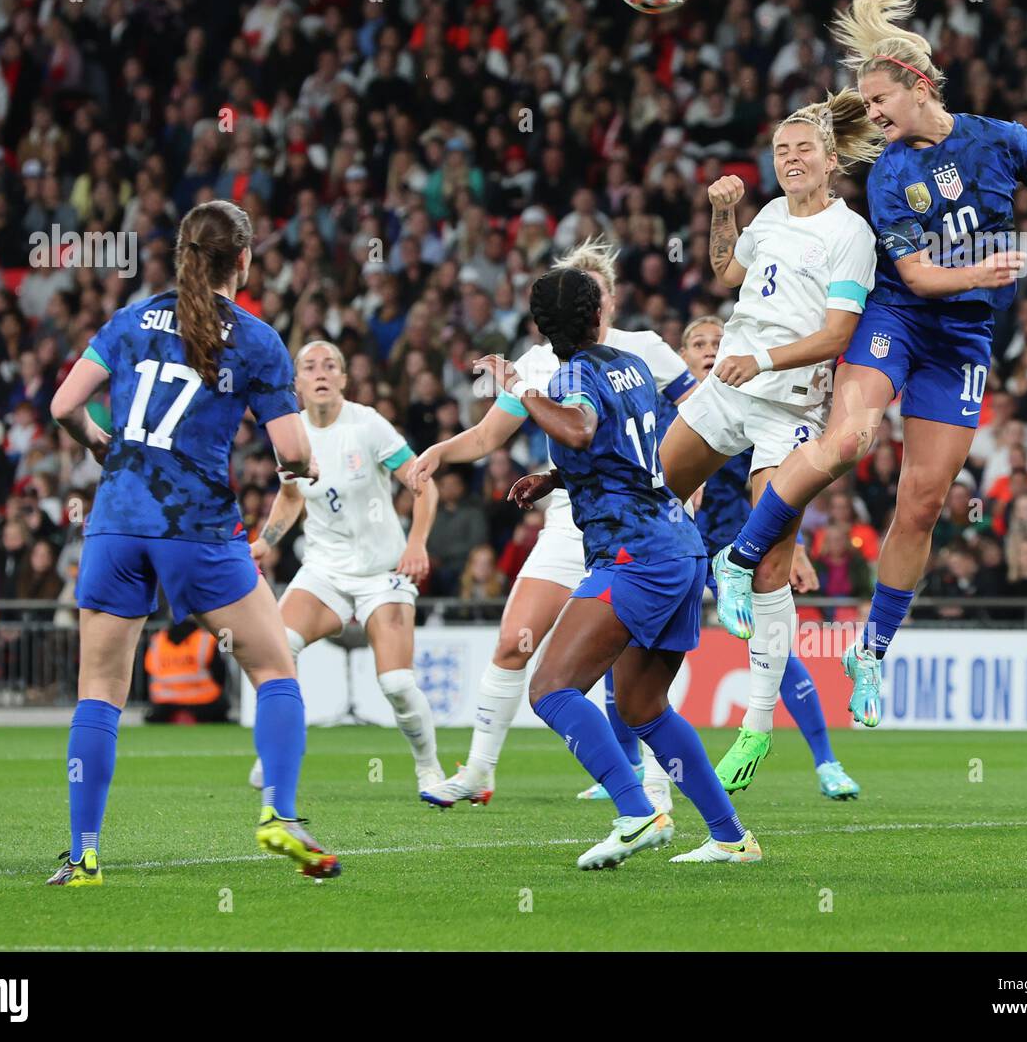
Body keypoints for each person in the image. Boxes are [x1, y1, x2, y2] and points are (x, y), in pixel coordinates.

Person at [716, 0, 1027, 728]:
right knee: (849, 440)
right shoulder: (886, 175)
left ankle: (869, 652)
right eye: (865, 104)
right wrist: (983, 273)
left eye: (879, 99)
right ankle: (739, 557)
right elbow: (916, 279)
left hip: (962, 341)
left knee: (925, 501)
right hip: (899, 319)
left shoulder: (1003, 139)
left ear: (919, 86)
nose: (871, 114)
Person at [47, 200, 340, 886]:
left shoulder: (128, 320)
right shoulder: (258, 341)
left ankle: (85, 851)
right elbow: (292, 451)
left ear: (181, 252)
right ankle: (280, 814)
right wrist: (304, 470)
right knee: (273, 670)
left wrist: (100, 444)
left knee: (100, 690)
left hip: (116, 523)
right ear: (243, 259)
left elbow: (65, 405)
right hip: (197, 528)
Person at [409, 239, 697, 810]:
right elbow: (491, 436)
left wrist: (690, 483)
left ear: (608, 299)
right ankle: (479, 772)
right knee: (514, 643)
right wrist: (442, 449)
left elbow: (697, 413)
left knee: (625, 670)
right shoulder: (545, 360)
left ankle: (651, 792)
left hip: (634, 522)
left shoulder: (644, 351)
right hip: (570, 524)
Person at [487, 266, 760, 866]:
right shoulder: (632, 366)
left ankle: (638, 812)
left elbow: (582, 429)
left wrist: (524, 388)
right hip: (680, 548)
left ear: (541, 325)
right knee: (642, 707)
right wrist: (555, 478)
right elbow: (628, 446)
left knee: (551, 689)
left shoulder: (571, 376)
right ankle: (731, 838)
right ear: (595, 315)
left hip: (635, 557)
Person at [655, 89, 881, 793]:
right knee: (648, 489)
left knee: (769, 562)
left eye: (803, 149)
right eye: (781, 151)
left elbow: (841, 333)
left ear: (831, 159)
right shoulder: (771, 215)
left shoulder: (852, 233)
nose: (789, 160)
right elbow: (728, 272)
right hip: (729, 386)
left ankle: (756, 725)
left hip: (789, 405)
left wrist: (765, 359)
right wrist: (723, 212)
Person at [672, 315, 862, 799]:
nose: (711, 349)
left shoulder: (751, 396)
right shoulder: (682, 412)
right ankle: (635, 769)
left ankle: (826, 761)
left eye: (718, 340)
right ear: (685, 357)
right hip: (681, 544)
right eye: (699, 342)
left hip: (743, 542)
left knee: (778, 654)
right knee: (645, 639)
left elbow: (782, 473)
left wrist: (792, 545)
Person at [247, 340, 442, 798]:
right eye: (309, 366)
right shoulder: (290, 434)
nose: (320, 373)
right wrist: (265, 542)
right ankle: (279, 748)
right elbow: (292, 496)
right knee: (275, 649)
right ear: (296, 382)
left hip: (382, 571)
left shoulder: (367, 425)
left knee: (395, 683)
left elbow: (422, 485)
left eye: (329, 365)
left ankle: (429, 768)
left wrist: (416, 542)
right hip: (325, 569)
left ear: (342, 379)